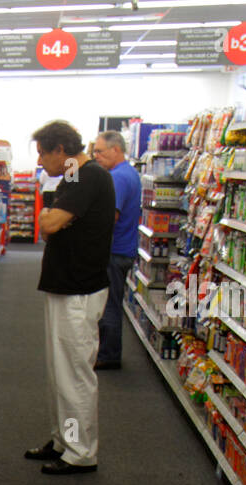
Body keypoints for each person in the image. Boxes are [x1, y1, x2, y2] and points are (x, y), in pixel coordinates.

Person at [23, 120, 115, 476]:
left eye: (44, 155)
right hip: (66, 287)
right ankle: (62, 438)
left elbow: (47, 224)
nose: (41, 162)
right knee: (59, 373)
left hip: (79, 290)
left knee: (73, 376)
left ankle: (78, 451)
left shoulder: (88, 175)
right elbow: (52, 222)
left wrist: (51, 217)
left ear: (61, 150)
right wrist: (52, 216)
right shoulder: (75, 172)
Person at [92, 129, 141, 370]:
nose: (96, 156)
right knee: (111, 301)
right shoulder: (128, 172)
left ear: (116, 149)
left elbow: (109, 216)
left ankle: (109, 355)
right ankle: (108, 351)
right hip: (124, 248)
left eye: (100, 151)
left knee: (109, 304)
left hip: (115, 251)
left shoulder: (118, 177)